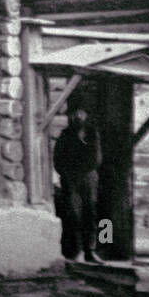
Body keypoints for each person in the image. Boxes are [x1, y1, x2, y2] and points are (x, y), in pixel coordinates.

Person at [53, 100, 103, 263]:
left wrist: (82, 168)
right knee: (74, 214)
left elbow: (95, 158)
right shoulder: (66, 135)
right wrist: (67, 174)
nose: (78, 116)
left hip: (88, 178)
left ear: (86, 115)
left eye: (81, 113)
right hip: (71, 179)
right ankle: (78, 250)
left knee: (90, 213)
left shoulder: (92, 134)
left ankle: (91, 250)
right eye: (75, 113)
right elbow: (58, 159)